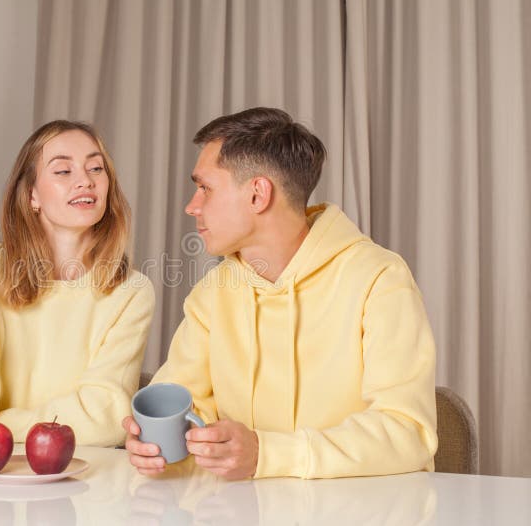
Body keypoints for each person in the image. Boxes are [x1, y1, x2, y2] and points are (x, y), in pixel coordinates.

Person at [123, 107, 437, 479]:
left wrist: (267, 454)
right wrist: (154, 442)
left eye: (205, 188)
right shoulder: (212, 293)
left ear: (258, 195)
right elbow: (185, 402)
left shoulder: (379, 279)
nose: (192, 206)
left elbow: (406, 432)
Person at [0, 120, 155, 446]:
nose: (85, 180)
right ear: (32, 195)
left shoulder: (131, 291)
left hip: (89, 484)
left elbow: (105, 422)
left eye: (96, 168)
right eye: (64, 171)